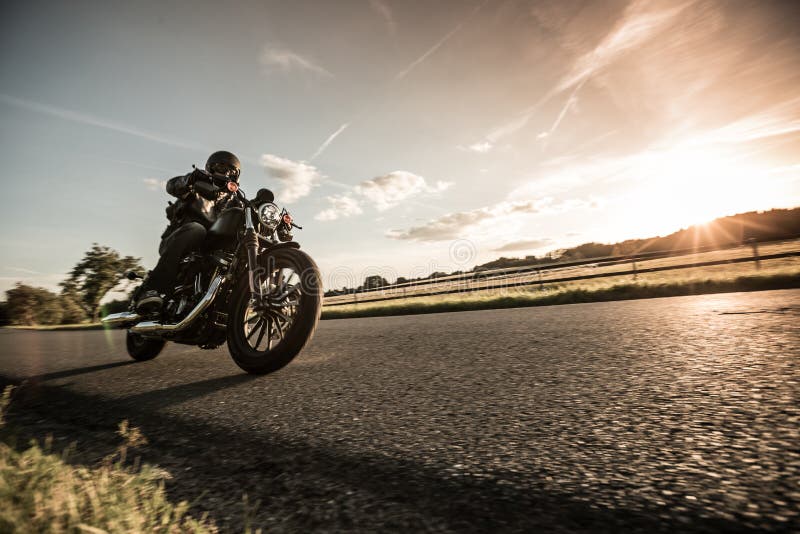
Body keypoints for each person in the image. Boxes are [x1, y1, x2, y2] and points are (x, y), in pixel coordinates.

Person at [135, 150, 241, 314]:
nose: (225, 172)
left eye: (230, 170)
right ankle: (151, 289)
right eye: (220, 167)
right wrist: (190, 180)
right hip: (179, 239)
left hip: (209, 248)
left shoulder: (234, 201)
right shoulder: (196, 185)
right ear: (210, 168)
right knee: (197, 229)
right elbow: (172, 185)